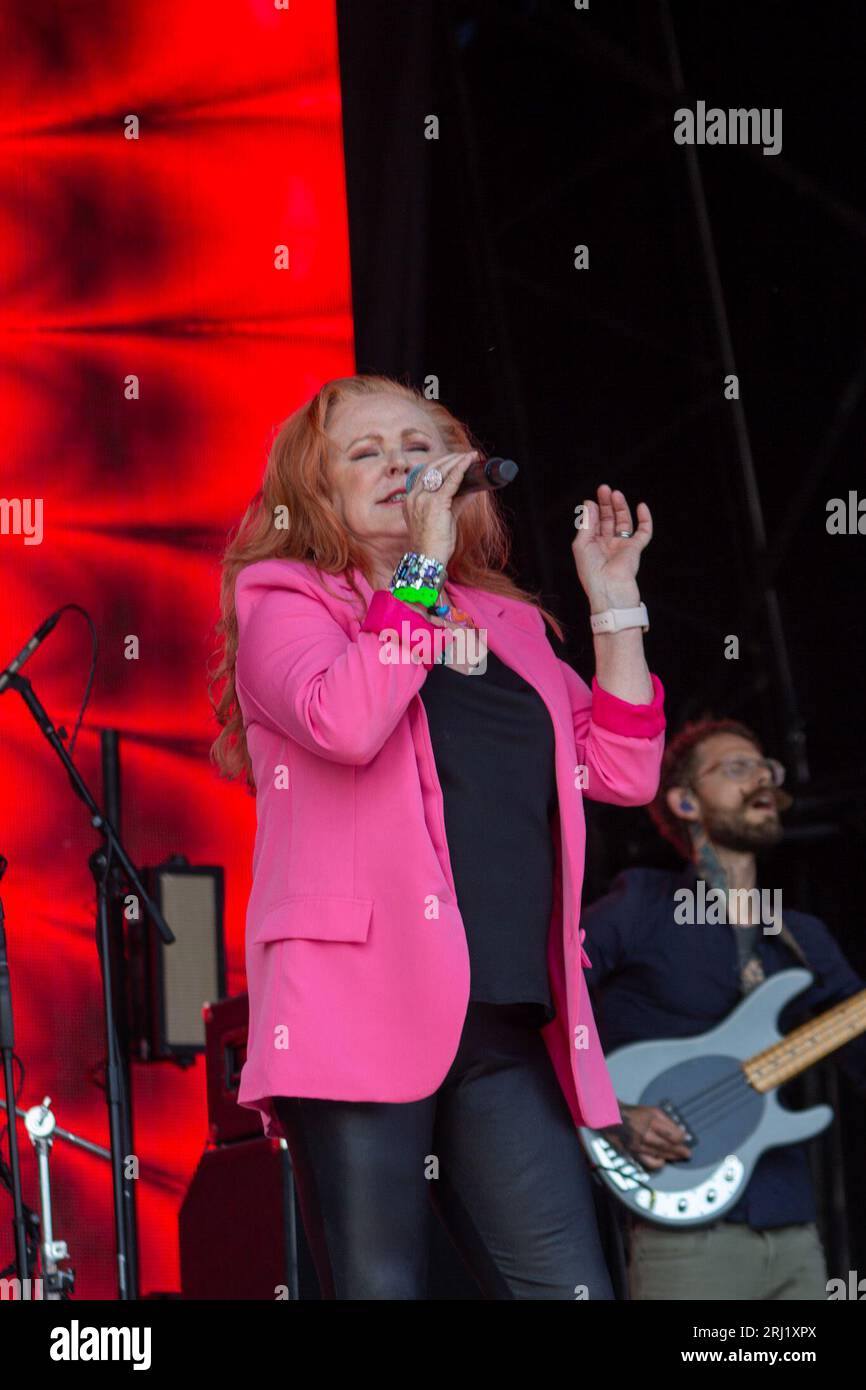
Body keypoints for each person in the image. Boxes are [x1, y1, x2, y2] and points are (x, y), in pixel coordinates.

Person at [209, 373, 666, 1299]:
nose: (400, 466)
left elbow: (622, 772)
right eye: (366, 453)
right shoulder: (284, 599)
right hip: (354, 1001)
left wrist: (614, 604)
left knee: (570, 1286)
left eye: (419, 447)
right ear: (317, 491)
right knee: (384, 1289)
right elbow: (346, 719)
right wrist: (420, 569)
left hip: (497, 1012)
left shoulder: (507, 622)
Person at [580, 717, 866, 1300]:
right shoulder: (640, 904)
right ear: (685, 800)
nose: (762, 777)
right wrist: (611, 1111)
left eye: (767, 768)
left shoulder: (801, 935)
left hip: (793, 1229)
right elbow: (552, 1000)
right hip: (682, 1236)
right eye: (737, 768)